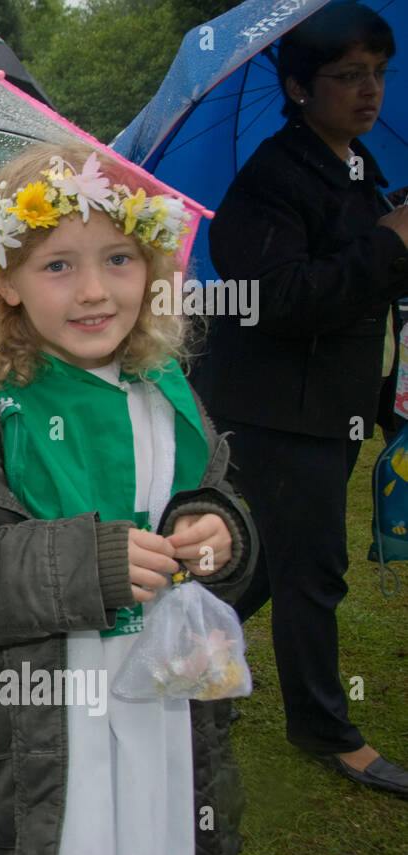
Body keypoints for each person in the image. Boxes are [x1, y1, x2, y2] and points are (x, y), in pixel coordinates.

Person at [0, 143, 257, 855]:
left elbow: (214, 496)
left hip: (169, 708)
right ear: (6, 282)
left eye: (118, 259)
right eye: (58, 265)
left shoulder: (162, 385)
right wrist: (87, 565)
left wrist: (218, 532)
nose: (93, 290)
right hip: (38, 732)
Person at [194, 1, 408, 797]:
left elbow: (360, 275)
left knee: (269, 562)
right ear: (296, 85)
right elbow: (278, 299)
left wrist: (389, 227)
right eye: (348, 76)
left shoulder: (358, 164)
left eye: (379, 73)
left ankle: (187, 666)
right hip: (279, 407)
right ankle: (326, 730)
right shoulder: (271, 180)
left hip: (336, 401)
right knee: (310, 566)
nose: (369, 91)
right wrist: (391, 240)